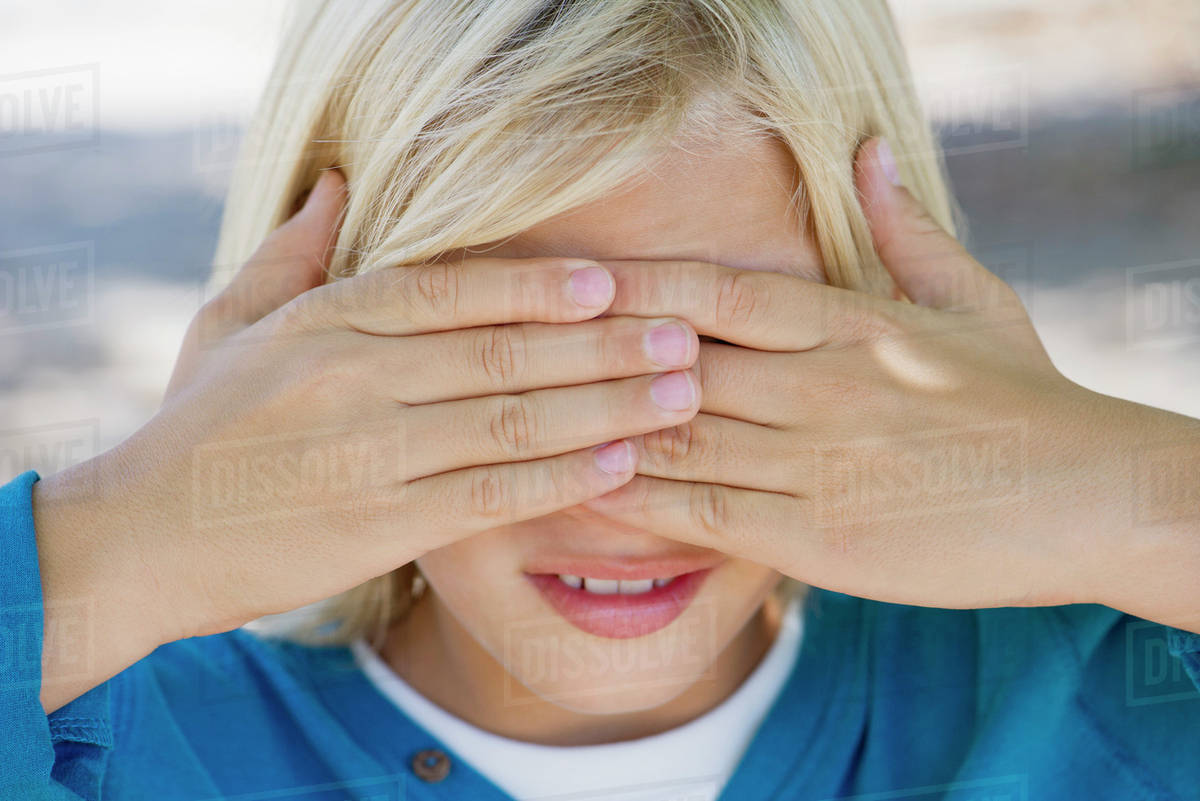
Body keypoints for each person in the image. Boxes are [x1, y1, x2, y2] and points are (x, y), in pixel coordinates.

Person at [4, 1, 1199, 799]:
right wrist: (125, 541)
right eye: (506, 361)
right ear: (304, 344)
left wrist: (1132, 501)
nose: (615, 493)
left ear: (883, 311)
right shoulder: (112, 738)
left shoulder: (1108, 684)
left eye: (726, 354)